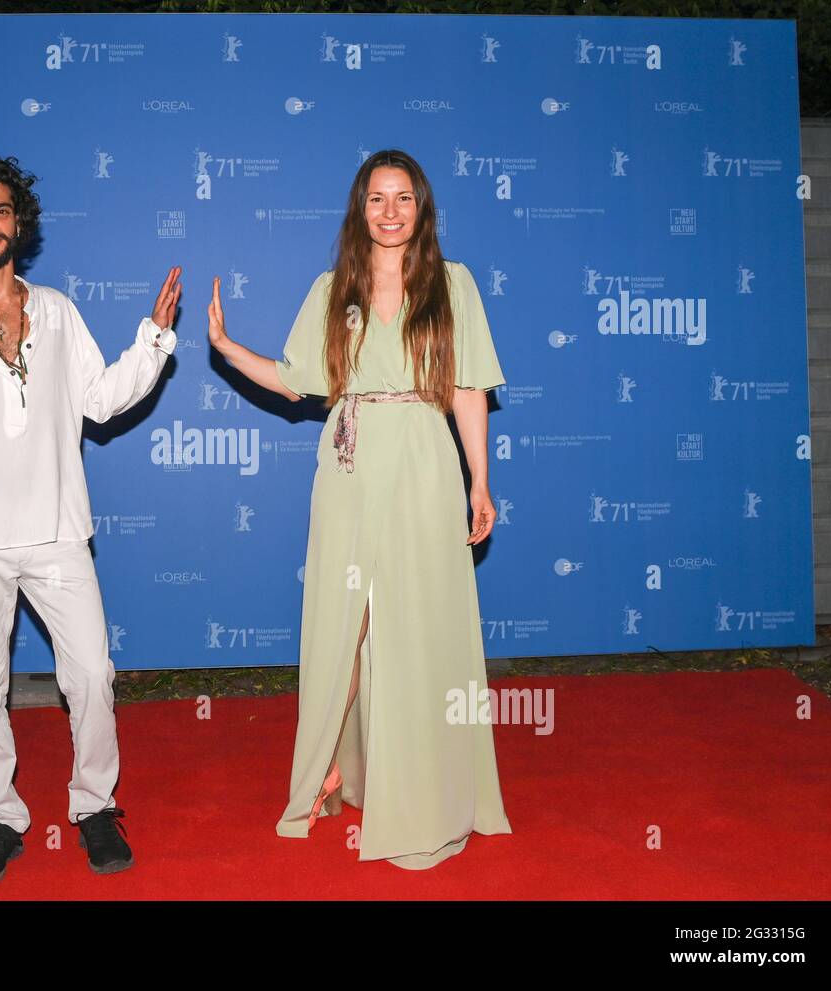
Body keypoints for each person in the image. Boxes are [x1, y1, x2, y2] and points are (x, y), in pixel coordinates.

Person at [206, 149, 512, 870]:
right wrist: (223, 346)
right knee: (346, 624)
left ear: (422, 207)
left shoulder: (452, 283)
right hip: (346, 466)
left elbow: (467, 389)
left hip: (422, 461)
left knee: (419, 625)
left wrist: (479, 481)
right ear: (360, 208)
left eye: (403, 197)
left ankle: (430, 790)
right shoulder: (332, 287)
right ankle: (327, 773)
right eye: (377, 198)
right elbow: (293, 383)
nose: (390, 210)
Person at [0, 140, 181, 885]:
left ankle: (93, 805)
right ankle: (0, 817)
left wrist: (152, 339)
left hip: (57, 530)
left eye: (0, 210)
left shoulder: (56, 312)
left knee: (91, 673)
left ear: (18, 222)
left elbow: (100, 401)